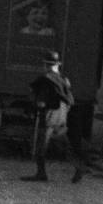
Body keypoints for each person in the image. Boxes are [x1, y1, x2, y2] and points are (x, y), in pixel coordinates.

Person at [21, 51, 77, 183]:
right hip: (62, 115)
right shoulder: (64, 79)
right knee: (63, 144)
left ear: (45, 65)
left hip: (49, 115)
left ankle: (41, 174)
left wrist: (36, 105)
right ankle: (79, 167)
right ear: (59, 65)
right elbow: (70, 100)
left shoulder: (44, 79)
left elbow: (39, 99)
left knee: (41, 145)